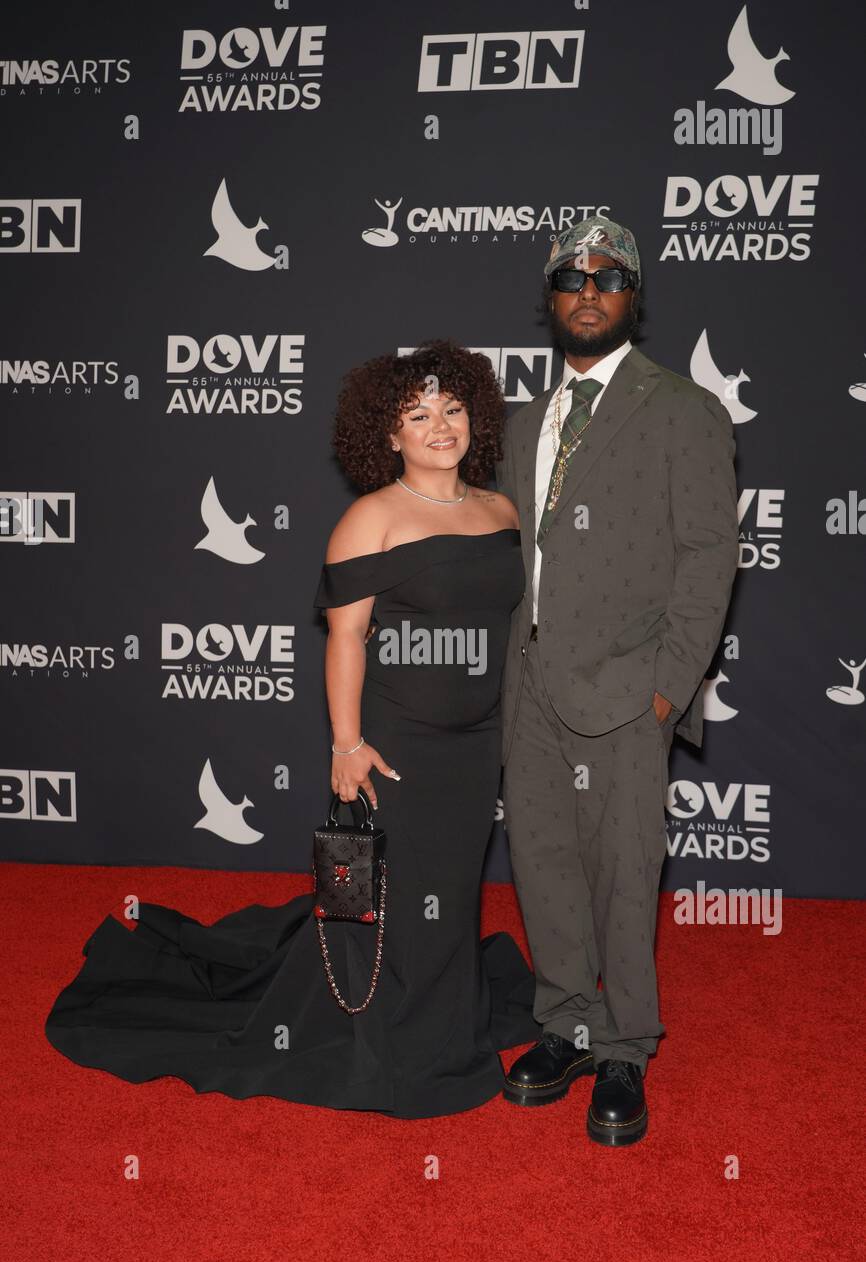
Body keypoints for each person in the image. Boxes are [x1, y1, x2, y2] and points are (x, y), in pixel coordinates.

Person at [43, 340, 543, 1120]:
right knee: (391, 893)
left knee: (451, 887)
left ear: (473, 415)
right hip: (397, 741)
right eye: (418, 414)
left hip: (478, 744)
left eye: (451, 408)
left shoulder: (503, 512)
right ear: (388, 432)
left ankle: (445, 1013)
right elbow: (344, 639)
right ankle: (387, 1034)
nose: (439, 425)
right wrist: (347, 743)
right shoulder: (370, 519)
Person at [496, 216, 739, 1145]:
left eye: (609, 276)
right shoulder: (527, 422)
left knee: (626, 878)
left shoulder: (683, 410)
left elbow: (710, 556)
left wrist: (668, 687)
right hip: (532, 691)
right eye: (570, 276)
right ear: (550, 298)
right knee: (545, 868)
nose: (588, 289)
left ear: (634, 297)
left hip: (626, 692)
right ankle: (567, 1025)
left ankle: (627, 1047)